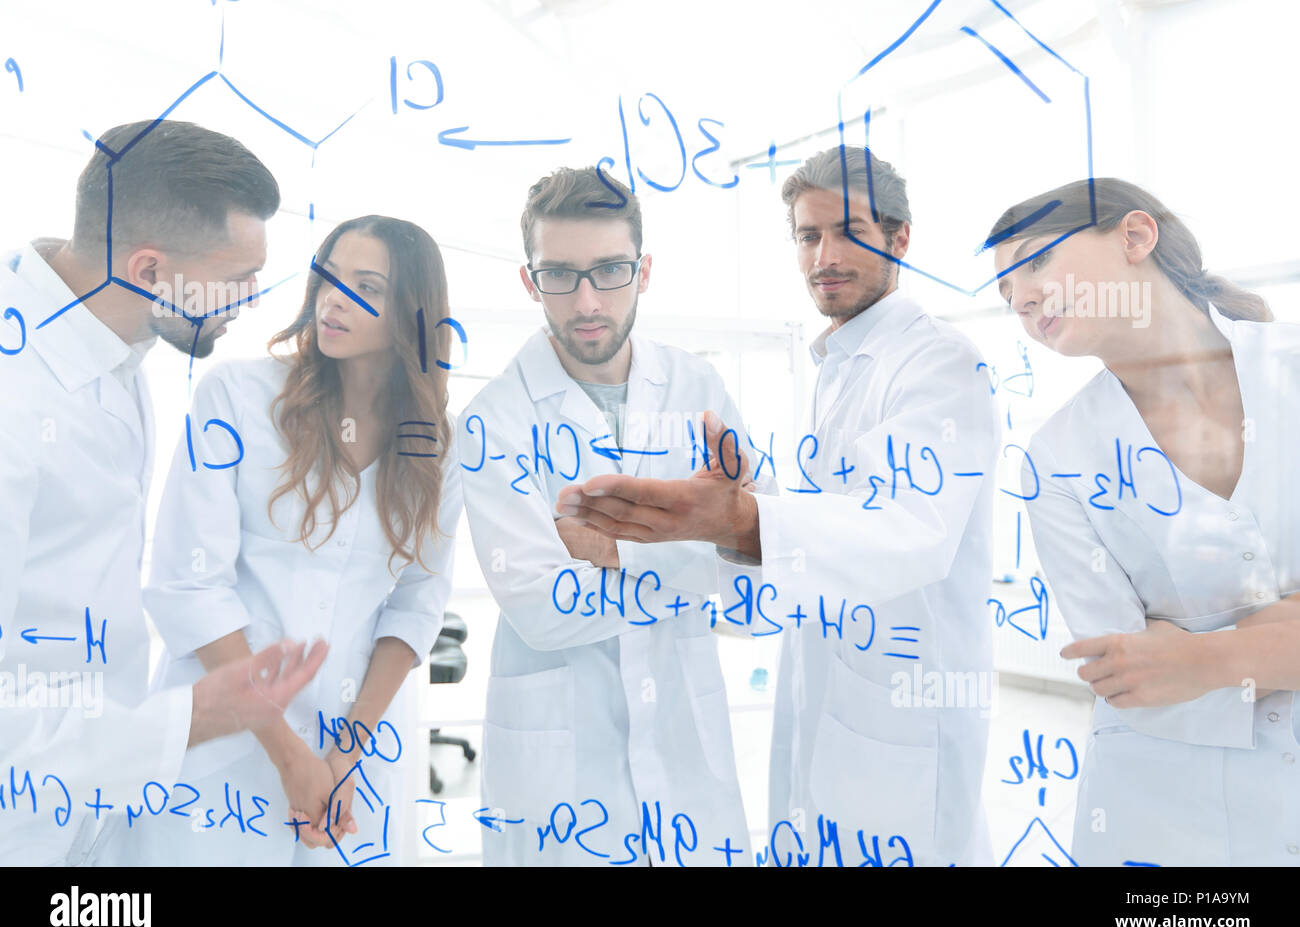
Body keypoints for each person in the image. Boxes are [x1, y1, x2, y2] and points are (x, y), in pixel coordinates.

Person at [556, 146, 1001, 866]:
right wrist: (745, 503)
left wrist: (741, 519)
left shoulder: (938, 363)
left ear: (900, 237)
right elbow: (831, 522)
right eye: (807, 234)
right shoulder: (841, 367)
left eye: (848, 231)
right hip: (833, 694)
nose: (825, 254)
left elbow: (908, 532)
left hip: (907, 717)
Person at [0, 119, 327, 866]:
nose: (251, 298)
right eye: (238, 277)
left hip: (87, 817)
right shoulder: (13, 408)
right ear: (149, 269)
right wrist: (191, 717)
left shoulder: (111, 335)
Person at [99, 216, 461, 866]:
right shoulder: (237, 398)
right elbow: (188, 584)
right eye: (329, 277)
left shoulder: (439, 445)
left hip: (352, 756)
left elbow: (417, 603)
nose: (333, 299)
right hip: (223, 743)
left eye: (365, 285)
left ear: (411, 311)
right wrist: (291, 755)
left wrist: (344, 756)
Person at [458, 166, 769, 866]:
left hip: (686, 743)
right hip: (563, 767)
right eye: (561, 275)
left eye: (610, 270)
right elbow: (544, 608)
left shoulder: (699, 388)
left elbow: (762, 564)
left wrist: (616, 550)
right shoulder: (493, 421)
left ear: (646, 270)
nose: (588, 300)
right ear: (530, 281)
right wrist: (705, 536)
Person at [989, 176, 1300, 866]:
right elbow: (1130, 675)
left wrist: (1200, 655)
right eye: (1007, 296)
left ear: (1135, 237)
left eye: (1035, 262)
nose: (1022, 298)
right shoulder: (1057, 456)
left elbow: (1167, 663)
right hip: (1160, 816)